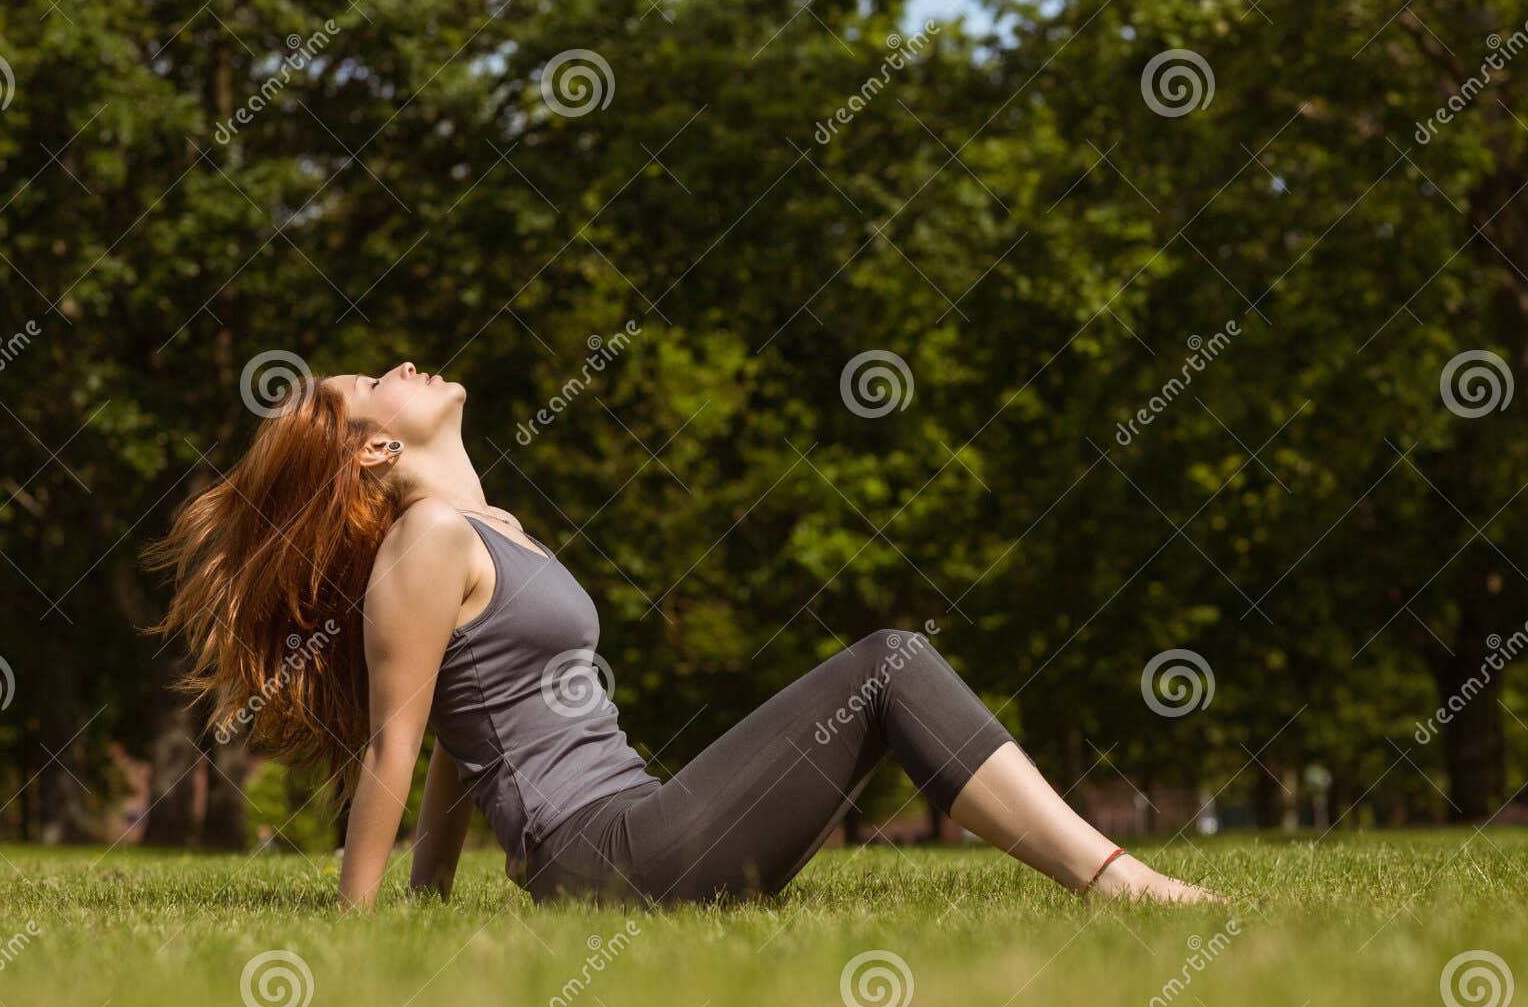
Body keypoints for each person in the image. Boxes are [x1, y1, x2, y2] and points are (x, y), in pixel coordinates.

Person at [151, 362, 1219, 910]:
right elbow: (396, 742)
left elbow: (459, 739)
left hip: (634, 829)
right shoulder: (423, 541)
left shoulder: (490, 530)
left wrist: (431, 898)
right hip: (606, 855)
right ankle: (1118, 883)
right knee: (888, 661)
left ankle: (1109, 877)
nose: (405, 363)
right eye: (374, 378)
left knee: (886, 668)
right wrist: (359, 923)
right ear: (378, 445)